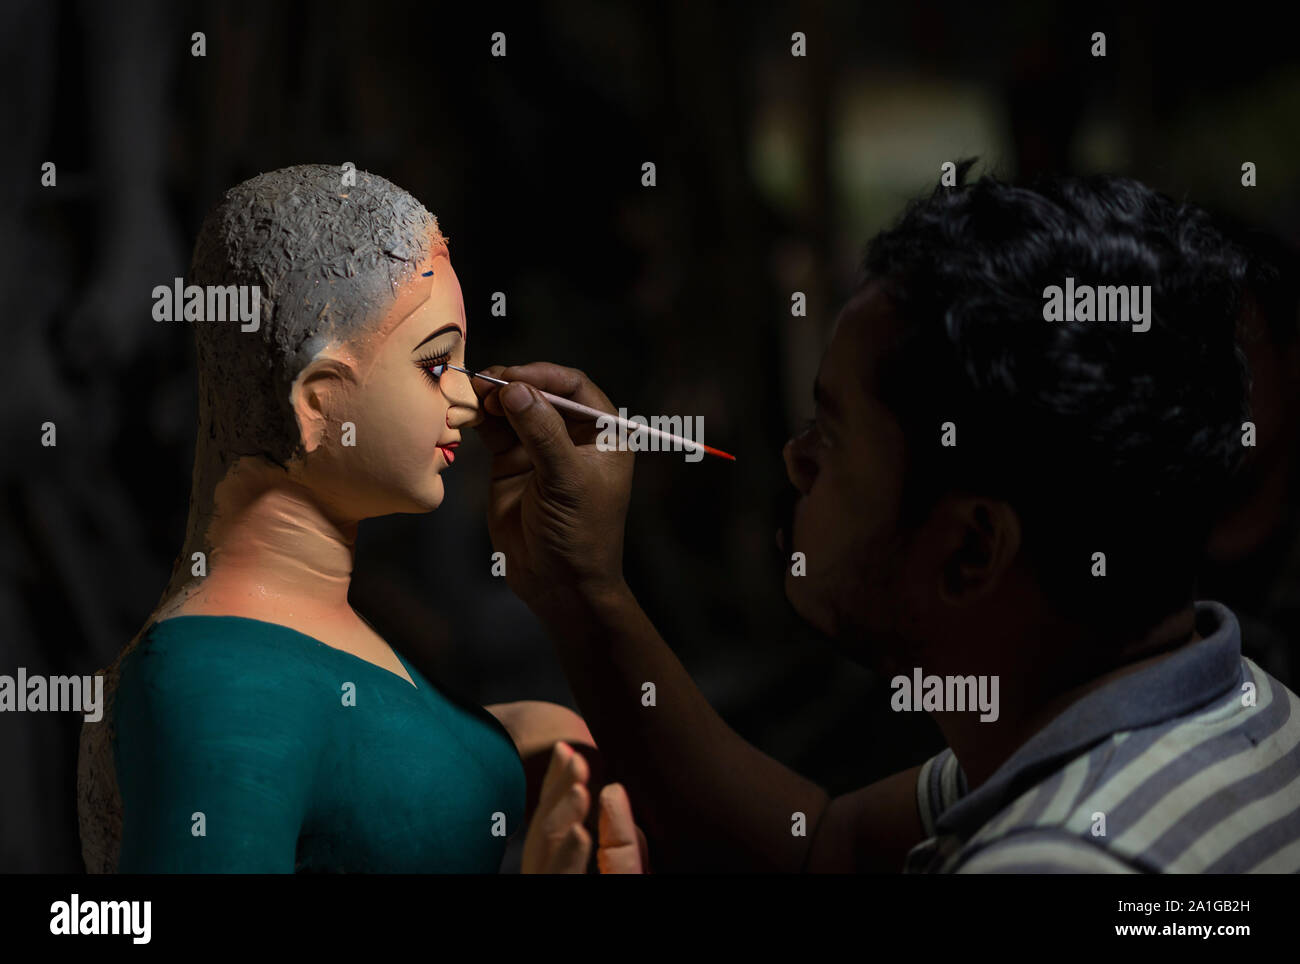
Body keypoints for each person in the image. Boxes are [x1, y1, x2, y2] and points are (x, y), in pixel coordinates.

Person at [474, 163, 1300, 873]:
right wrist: (584, 587)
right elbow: (820, 849)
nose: (798, 459)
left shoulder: (1056, 858)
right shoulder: (1224, 709)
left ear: (972, 550)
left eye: (831, 434)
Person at [75, 164, 634, 873]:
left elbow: (359, 749)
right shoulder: (219, 695)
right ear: (318, 403)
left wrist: (524, 739)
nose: (469, 399)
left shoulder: (301, 633)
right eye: (437, 365)